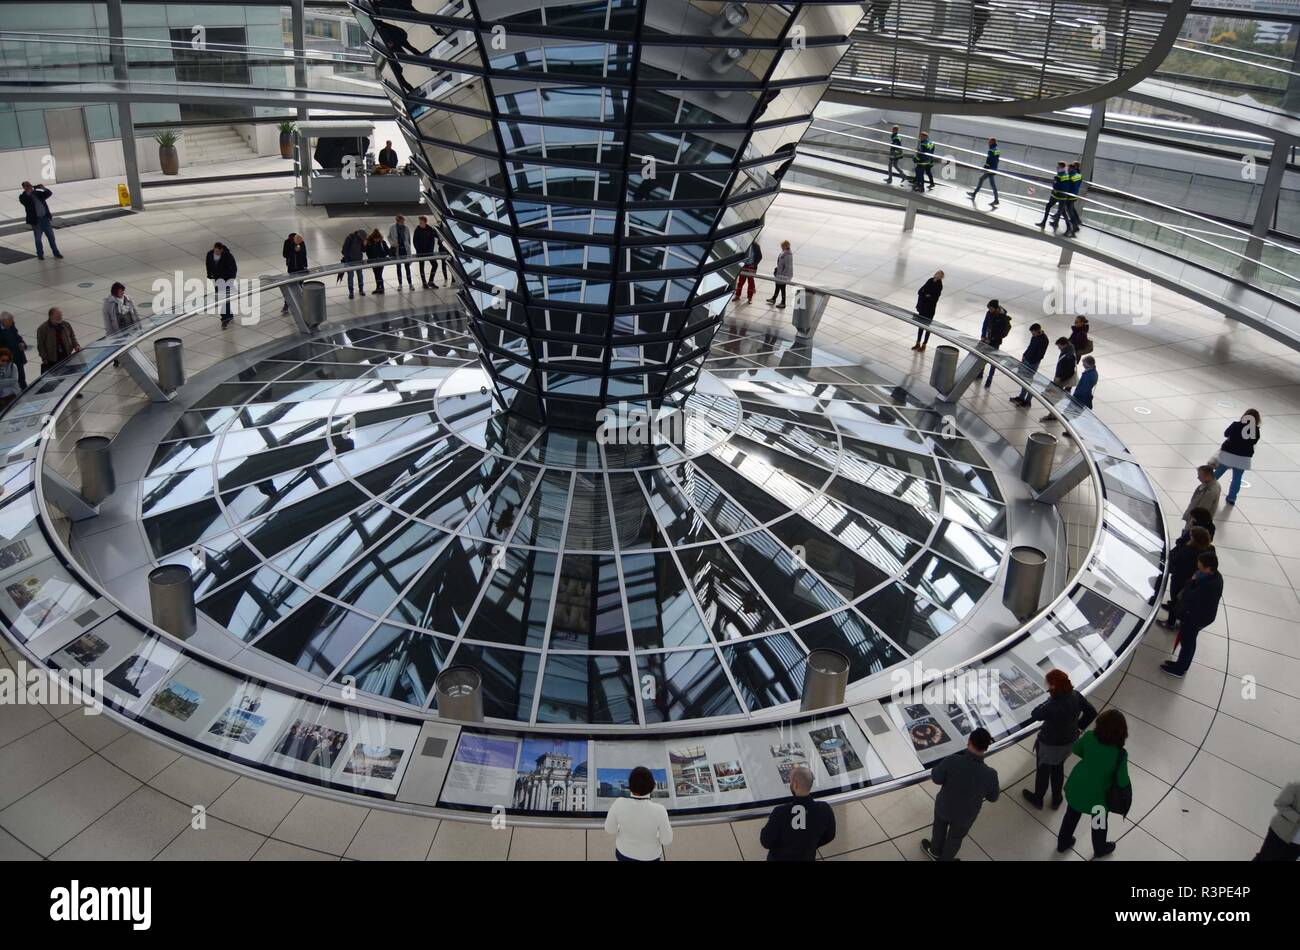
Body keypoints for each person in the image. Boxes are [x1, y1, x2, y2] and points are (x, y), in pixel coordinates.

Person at [1056, 709, 1130, 858]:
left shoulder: (1090, 737)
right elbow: (1122, 781)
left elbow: (1077, 750)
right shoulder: (1120, 754)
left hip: (1077, 787)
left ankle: (1063, 843)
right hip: (1099, 798)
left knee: (1070, 816)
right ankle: (1100, 848)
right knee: (1099, 825)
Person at [1022, 670, 1097, 810]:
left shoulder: (1052, 706)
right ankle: (1056, 798)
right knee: (1058, 768)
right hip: (1069, 742)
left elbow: (1036, 714)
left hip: (1049, 744)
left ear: (1053, 686)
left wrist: (1048, 700)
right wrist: (1079, 728)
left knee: (1043, 771)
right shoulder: (1076, 696)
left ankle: (1038, 798)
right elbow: (1092, 712)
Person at [922, 727, 999, 861]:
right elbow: (993, 797)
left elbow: (937, 778)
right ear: (986, 748)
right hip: (966, 815)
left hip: (944, 806)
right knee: (955, 838)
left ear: (969, 741)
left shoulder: (952, 760)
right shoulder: (990, 774)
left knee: (939, 828)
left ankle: (934, 851)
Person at [1161, 551, 1222, 677]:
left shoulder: (1207, 584)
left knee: (1187, 641)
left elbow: (1190, 595)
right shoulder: (1215, 577)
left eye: (1200, 566)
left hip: (1196, 618)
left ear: (1208, 568)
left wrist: (1191, 581)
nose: (1197, 567)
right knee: (1189, 640)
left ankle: (1180, 669)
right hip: (1201, 615)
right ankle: (1181, 664)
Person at [759, 765, 836, 860]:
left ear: (795, 785)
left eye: (790, 781)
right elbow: (830, 835)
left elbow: (766, 841)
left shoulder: (780, 813)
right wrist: (811, 846)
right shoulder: (825, 809)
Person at [603, 766, 673, 861]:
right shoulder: (660, 810)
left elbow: (610, 829)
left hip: (624, 854)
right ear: (652, 786)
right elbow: (666, 840)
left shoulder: (619, 803)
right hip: (650, 857)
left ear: (630, 786)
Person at [1159, 526, 1213, 628]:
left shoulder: (1188, 550)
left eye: (1191, 535)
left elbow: (1175, 559)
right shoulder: (1208, 549)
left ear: (1195, 538)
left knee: (1176, 599)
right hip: (1193, 581)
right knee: (1184, 601)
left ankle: (1170, 622)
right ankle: (1180, 620)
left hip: (1180, 578)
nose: (1189, 536)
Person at [1213, 409, 1261, 506]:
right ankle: (1232, 498)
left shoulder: (1236, 425)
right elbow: (1254, 442)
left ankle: (1206, 487)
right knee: (1237, 478)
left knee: (1218, 472)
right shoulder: (1255, 430)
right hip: (1243, 458)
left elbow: (1226, 434)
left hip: (1229, 454)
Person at [1253, 781, 1300, 861]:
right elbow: (1279, 803)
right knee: (1265, 858)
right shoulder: (1295, 787)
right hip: (1280, 833)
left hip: (1297, 843)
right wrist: (1297, 818)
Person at [18, 181, 63, 260]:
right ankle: (40, 254)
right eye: (27, 186)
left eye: (29, 185)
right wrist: (28, 192)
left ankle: (56, 253)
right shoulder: (23, 196)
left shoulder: (37, 193)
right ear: (24, 188)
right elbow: (25, 201)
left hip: (45, 219)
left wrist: (43, 188)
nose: (29, 187)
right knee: (38, 239)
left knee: (51, 237)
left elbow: (49, 193)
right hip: (36, 221)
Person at [1039, 336, 1077, 422]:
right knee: (1053, 397)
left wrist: (1061, 378)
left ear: (1064, 345)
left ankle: (1052, 415)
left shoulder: (1069, 355)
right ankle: (1052, 414)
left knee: (1054, 398)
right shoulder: (1067, 350)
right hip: (1060, 377)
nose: (1058, 348)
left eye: (1059, 346)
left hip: (1061, 380)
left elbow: (1070, 371)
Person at [1010, 322, 1048, 408]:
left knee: (1029, 381)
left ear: (1038, 331)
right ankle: (1021, 397)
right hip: (1027, 360)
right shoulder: (1034, 336)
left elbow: (1040, 354)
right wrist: (1024, 355)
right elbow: (1030, 346)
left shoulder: (1044, 340)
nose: (1032, 334)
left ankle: (1027, 401)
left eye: (1033, 332)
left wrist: (1031, 361)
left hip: (1033, 363)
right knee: (1025, 380)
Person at [36, 307, 81, 374]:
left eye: (61, 315)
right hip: (53, 359)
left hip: (66, 355)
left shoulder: (66, 325)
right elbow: (41, 345)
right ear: (51, 316)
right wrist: (44, 358)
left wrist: (76, 345)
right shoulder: (43, 329)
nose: (60, 317)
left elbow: (72, 336)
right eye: (58, 316)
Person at [204, 242, 238, 328]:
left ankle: (225, 319)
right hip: (217, 280)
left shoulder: (228, 256)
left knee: (224, 298)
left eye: (218, 252)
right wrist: (209, 274)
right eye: (215, 251)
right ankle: (229, 315)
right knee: (222, 298)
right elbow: (208, 264)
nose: (216, 253)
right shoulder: (210, 254)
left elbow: (234, 268)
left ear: (221, 250)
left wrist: (231, 279)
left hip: (227, 280)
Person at [979, 299, 1010, 387]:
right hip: (986, 339)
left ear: (996, 308)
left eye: (991, 308)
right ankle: (980, 373)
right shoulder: (989, 313)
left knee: (993, 361)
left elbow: (1002, 333)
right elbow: (985, 324)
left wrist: (992, 339)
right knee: (982, 357)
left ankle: (989, 379)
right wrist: (983, 335)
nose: (989, 310)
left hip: (995, 342)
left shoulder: (1003, 318)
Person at [1181, 465, 1221, 534]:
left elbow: (1201, 512)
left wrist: (1190, 526)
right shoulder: (1208, 484)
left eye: (1200, 476)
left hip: (1196, 524)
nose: (1198, 478)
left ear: (1208, 476)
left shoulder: (1210, 492)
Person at [912, 270, 944, 351]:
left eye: (939, 274)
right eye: (936, 273)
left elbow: (934, 296)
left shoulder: (939, 285)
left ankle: (924, 344)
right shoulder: (930, 280)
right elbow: (921, 290)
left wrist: (926, 294)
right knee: (920, 325)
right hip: (923, 307)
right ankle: (918, 343)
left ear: (941, 277)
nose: (936, 275)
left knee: (927, 327)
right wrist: (926, 295)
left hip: (930, 309)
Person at [0, 312, 31, 390]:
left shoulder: (11, 326)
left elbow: (17, 336)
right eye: (10, 321)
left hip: (18, 358)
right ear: (3, 321)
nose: (12, 323)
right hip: (7, 361)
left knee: (21, 378)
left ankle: (24, 392)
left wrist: (22, 343)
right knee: (12, 381)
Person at [967, 137, 1001, 207]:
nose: (988, 143)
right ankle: (974, 194)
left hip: (990, 170)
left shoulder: (991, 150)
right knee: (988, 183)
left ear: (992, 142)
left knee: (988, 183)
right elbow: (996, 160)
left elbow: (988, 161)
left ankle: (996, 200)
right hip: (994, 169)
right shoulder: (997, 150)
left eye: (989, 142)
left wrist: (984, 168)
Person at [1054, 161, 1084, 237]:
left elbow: (1067, 186)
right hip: (1074, 195)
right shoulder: (1078, 175)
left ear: (1071, 168)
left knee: (1069, 211)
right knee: (1070, 210)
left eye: (1069, 168)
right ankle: (1075, 224)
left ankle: (1074, 226)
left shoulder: (1070, 176)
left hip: (1069, 196)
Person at [281, 232, 308, 313]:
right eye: (297, 241)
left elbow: (304, 254)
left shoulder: (301, 242)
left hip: (300, 267)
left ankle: (302, 304)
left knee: (300, 286)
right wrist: (294, 250)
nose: (299, 242)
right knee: (291, 286)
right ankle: (287, 305)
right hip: (291, 268)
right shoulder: (287, 242)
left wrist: (305, 265)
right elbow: (285, 254)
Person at [1036, 162, 1069, 229]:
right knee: (1062, 211)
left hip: (1056, 195)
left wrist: (1054, 185)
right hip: (1064, 195)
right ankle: (1068, 227)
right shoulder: (1066, 175)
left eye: (1058, 167)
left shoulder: (1058, 176)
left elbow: (1055, 185)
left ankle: (1044, 222)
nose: (1057, 168)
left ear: (1061, 168)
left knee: (1048, 206)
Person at [413, 215, 440, 288]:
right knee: (422, 267)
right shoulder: (417, 229)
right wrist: (418, 250)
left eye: (421, 222)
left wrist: (430, 250)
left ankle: (431, 281)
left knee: (435, 265)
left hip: (429, 251)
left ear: (425, 222)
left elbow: (432, 240)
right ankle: (424, 283)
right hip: (420, 252)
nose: (420, 224)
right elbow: (415, 241)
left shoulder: (429, 229)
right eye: (419, 222)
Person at [387, 215, 414, 290]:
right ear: (398, 221)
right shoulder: (392, 227)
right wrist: (393, 243)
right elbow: (388, 237)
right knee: (398, 268)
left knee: (407, 267)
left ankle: (410, 284)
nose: (403, 222)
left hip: (405, 250)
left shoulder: (406, 228)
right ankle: (400, 284)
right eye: (401, 221)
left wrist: (409, 250)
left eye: (403, 221)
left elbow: (408, 240)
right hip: (397, 250)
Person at [766, 240, 793, 308]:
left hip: (783, 275)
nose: (781, 247)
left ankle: (783, 302)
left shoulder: (788, 255)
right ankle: (774, 299)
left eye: (782, 246)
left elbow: (787, 267)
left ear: (785, 246)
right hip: (780, 273)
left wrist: (782, 276)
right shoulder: (784, 253)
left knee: (782, 288)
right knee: (778, 286)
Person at [342, 228, 367, 298]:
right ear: (359, 235)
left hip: (359, 260)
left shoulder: (361, 239)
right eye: (362, 238)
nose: (362, 239)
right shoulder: (350, 238)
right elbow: (344, 250)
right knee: (350, 276)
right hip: (350, 261)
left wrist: (365, 244)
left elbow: (363, 250)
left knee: (360, 275)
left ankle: (361, 289)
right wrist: (348, 258)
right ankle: (351, 292)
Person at [365, 229, 391, 293]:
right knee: (376, 274)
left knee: (379, 274)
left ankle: (381, 288)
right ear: (373, 237)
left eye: (378, 239)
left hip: (381, 261)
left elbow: (387, 251)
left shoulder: (382, 242)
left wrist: (382, 256)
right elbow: (367, 252)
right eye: (375, 239)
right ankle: (379, 287)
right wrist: (371, 258)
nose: (377, 240)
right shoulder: (369, 243)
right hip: (373, 262)